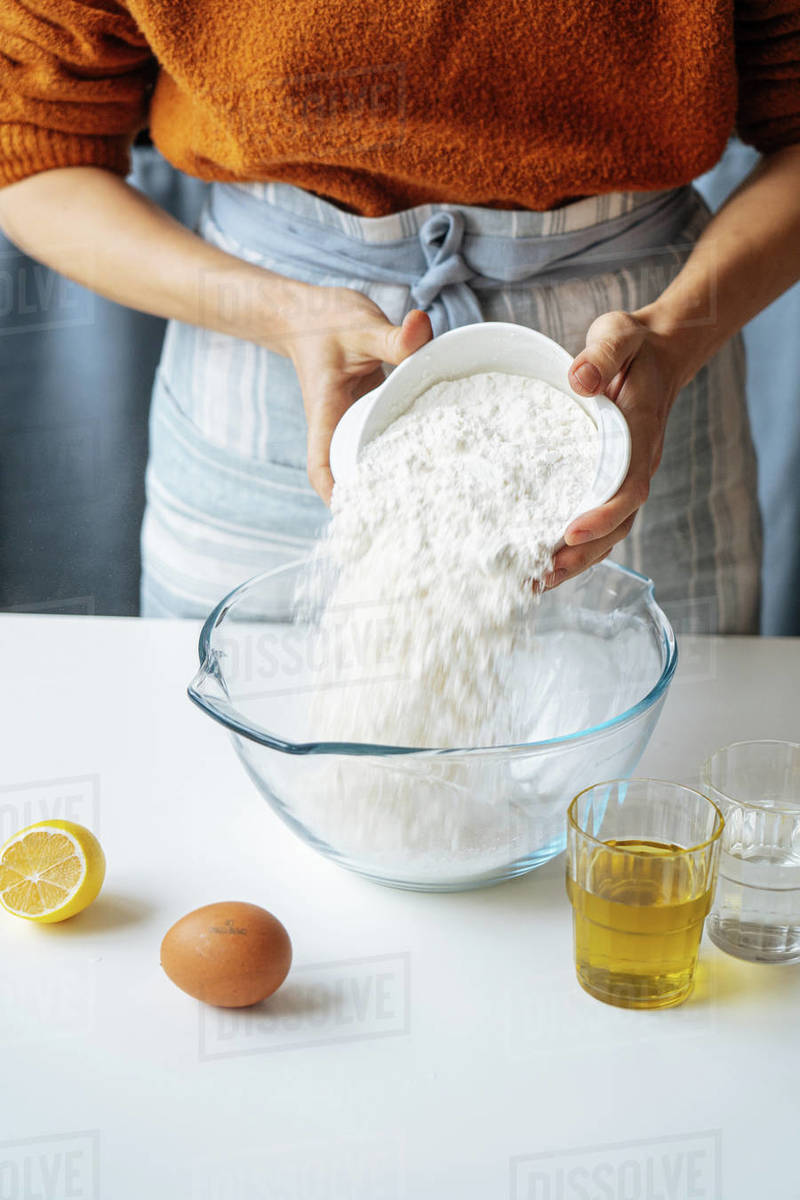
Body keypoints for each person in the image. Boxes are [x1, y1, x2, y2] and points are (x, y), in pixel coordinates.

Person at [0, 2, 798, 630]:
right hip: (270, 362)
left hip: (633, 382)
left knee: (655, 805)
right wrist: (284, 317)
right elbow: (31, 147)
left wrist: (670, 337)